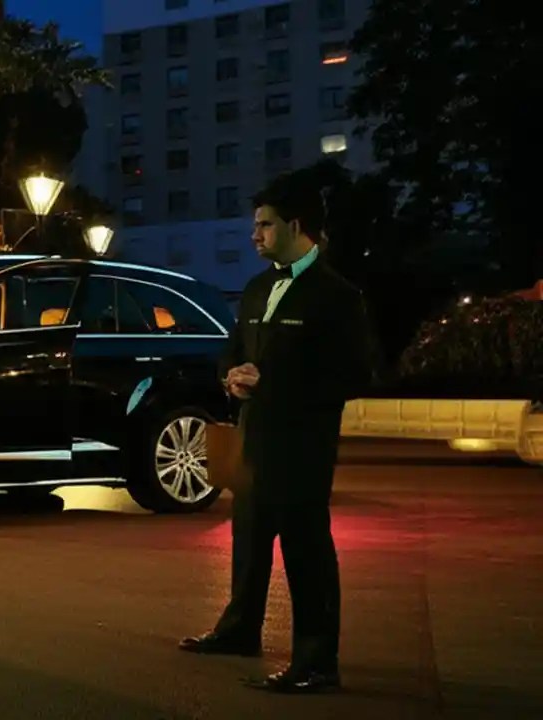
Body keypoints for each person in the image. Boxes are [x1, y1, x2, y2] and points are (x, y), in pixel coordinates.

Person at [178, 174, 376, 693]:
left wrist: (278, 382)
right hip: (253, 441)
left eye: (264, 225)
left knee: (307, 552)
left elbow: (357, 374)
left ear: (295, 225)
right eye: (254, 226)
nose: (254, 236)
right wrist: (232, 376)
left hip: (303, 447)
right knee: (247, 541)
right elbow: (234, 348)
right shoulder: (257, 287)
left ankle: (316, 661)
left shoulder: (338, 296)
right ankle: (239, 630)